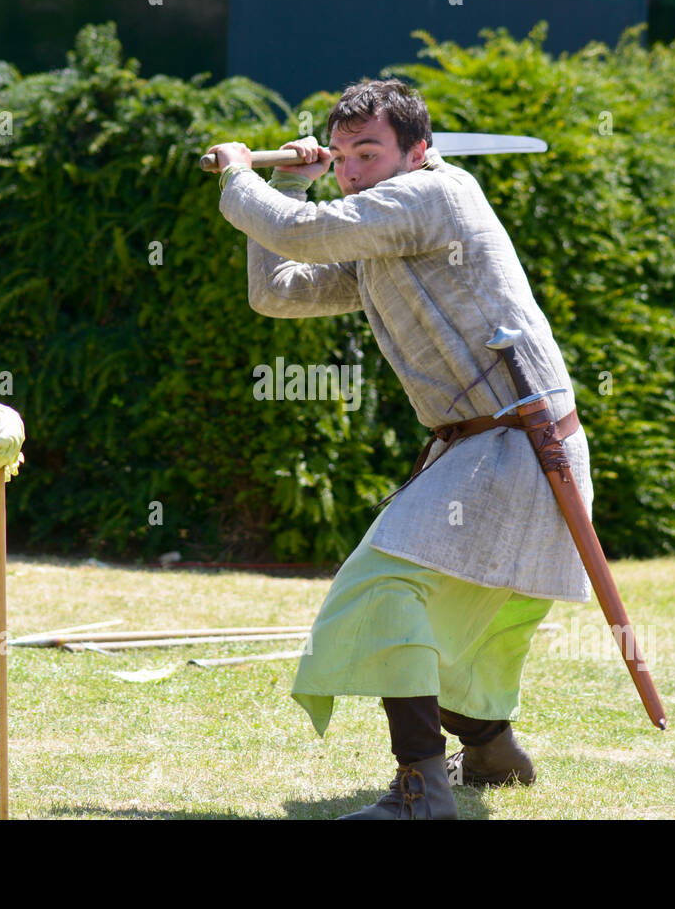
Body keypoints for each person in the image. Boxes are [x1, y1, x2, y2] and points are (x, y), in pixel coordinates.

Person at [207, 79, 594, 820]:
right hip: (497, 449)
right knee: (454, 621)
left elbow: (303, 232)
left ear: (417, 152)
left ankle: (420, 789)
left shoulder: (433, 198)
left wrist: (240, 174)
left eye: (368, 153)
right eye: (343, 155)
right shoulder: (386, 227)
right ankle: (488, 748)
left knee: (384, 589)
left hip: (519, 444)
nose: (349, 170)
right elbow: (283, 287)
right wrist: (289, 182)